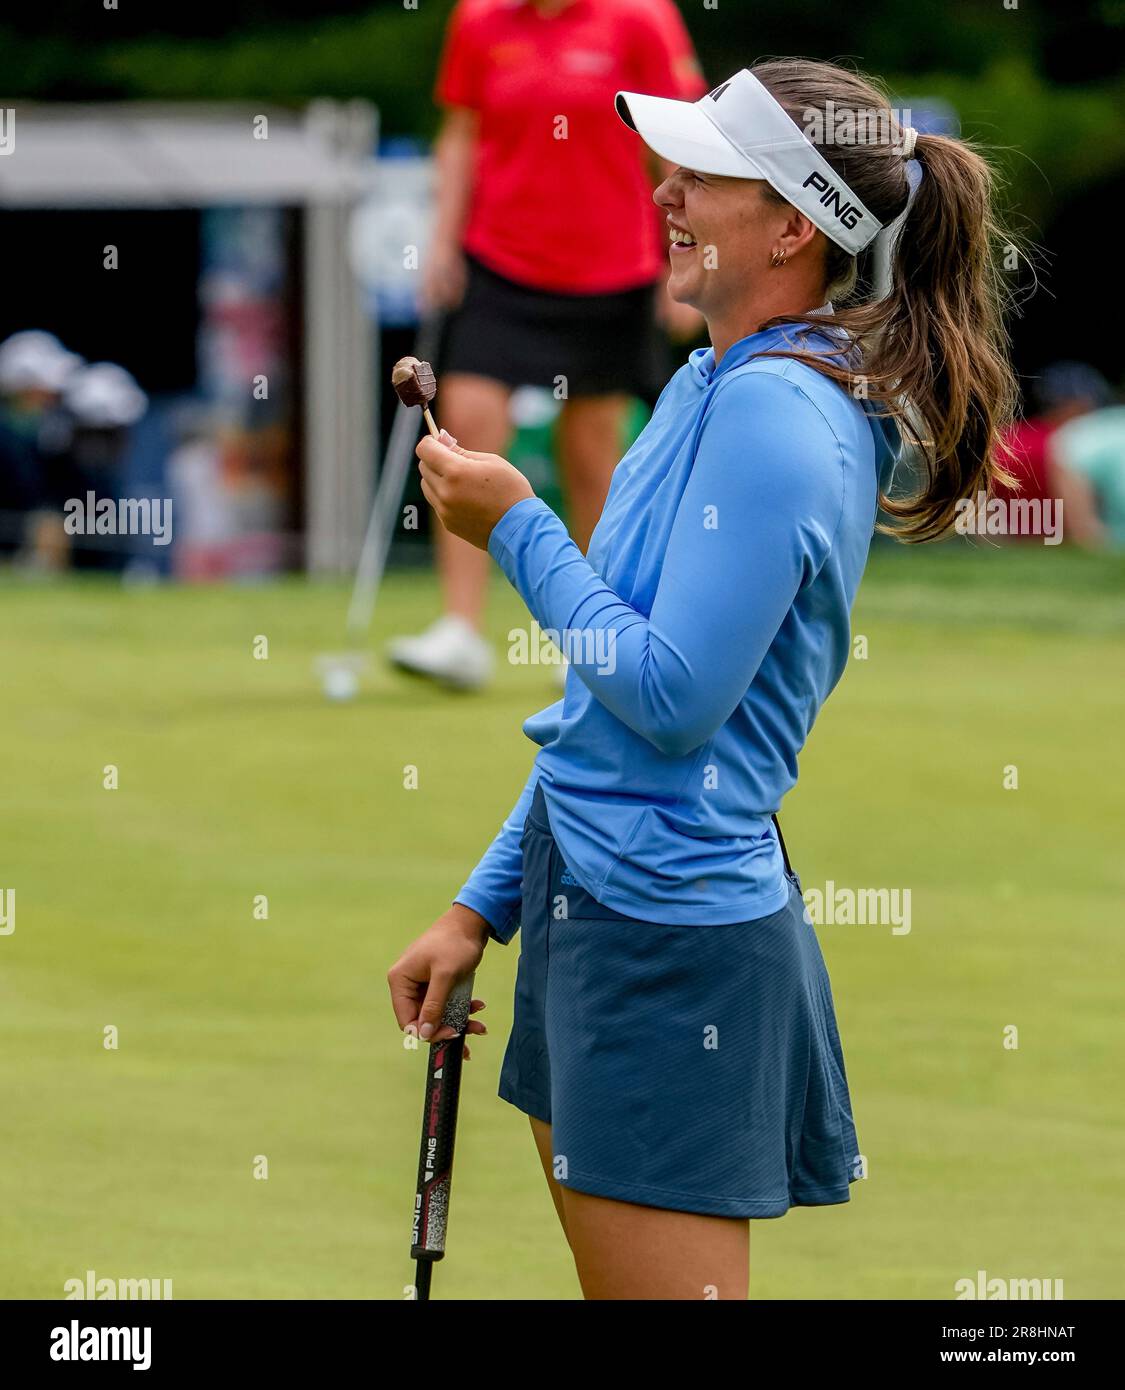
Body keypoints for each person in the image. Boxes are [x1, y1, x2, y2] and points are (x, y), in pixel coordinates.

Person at [387, 59, 1017, 1299]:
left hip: (671, 939)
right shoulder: (706, 381)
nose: (664, 191)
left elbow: (673, 697)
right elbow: (603, 719)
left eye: (702, 175)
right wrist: (482, 906)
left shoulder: (781, 414)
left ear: (793, 223)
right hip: (592, 896)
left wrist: (516, 528)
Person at [388, 0, 706, 690]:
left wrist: (683, 252)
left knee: (594, 450)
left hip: (613, 265)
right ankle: (461, 629)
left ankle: (596, 638)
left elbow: (674, 144)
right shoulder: (479, 19)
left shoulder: (640, 19)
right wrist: (441, 243)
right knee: (465, 420)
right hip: (500, 261)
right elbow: (462, 135)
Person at [992, 361, 1112, 543]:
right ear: (1079, 405)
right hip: (1071, 543)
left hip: (1008, 544)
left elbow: (981, 500)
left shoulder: (1006, 439)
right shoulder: (1089, 447)